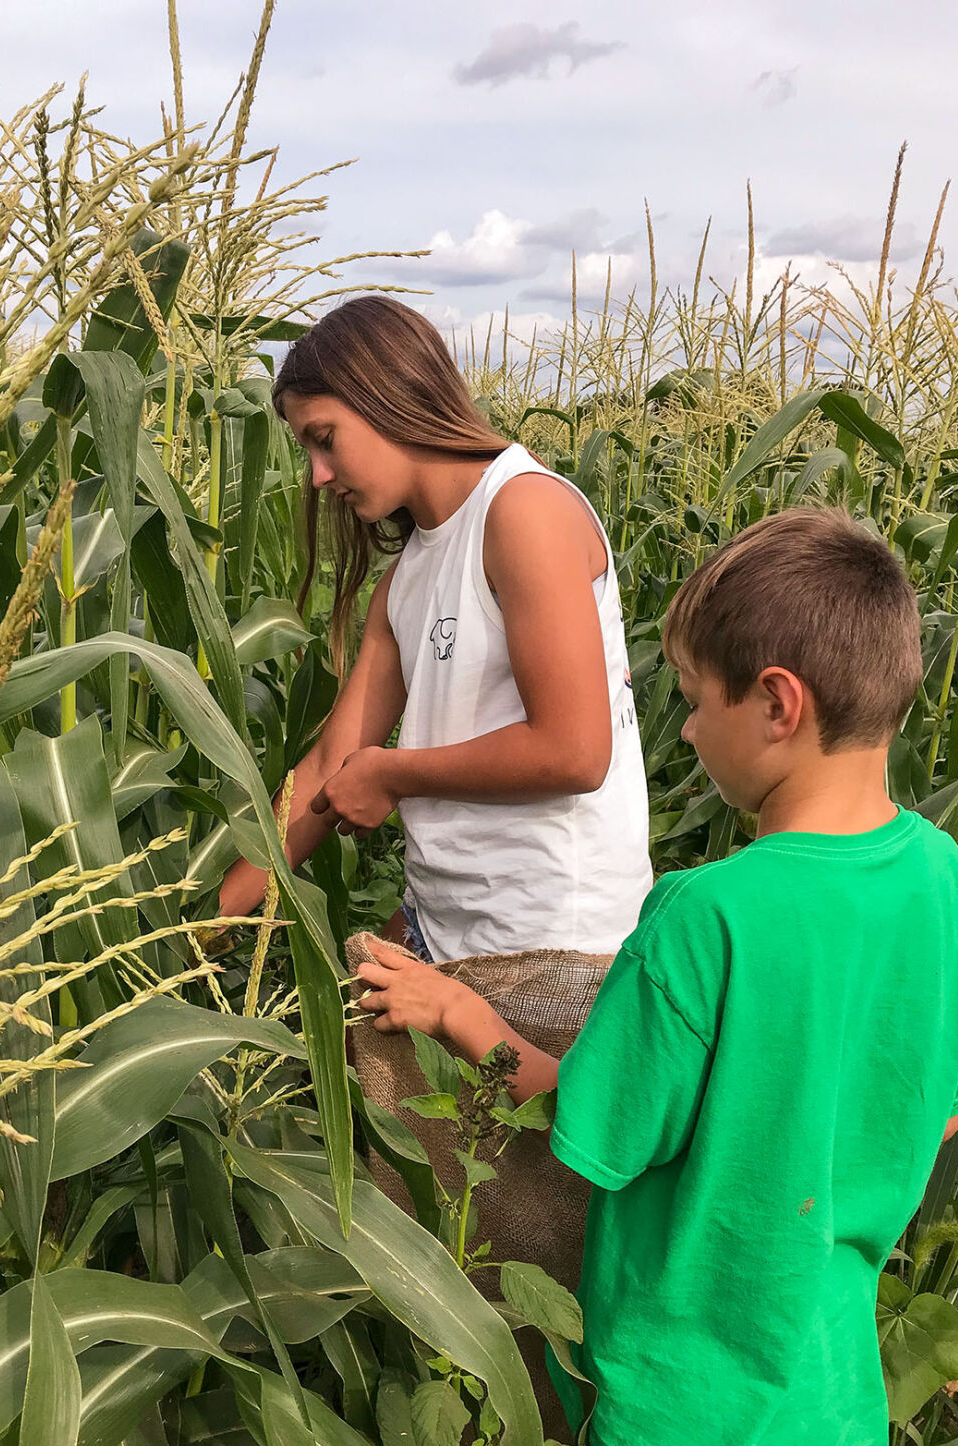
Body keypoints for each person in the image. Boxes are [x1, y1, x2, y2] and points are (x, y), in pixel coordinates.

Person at [354, 507, 958, 1446]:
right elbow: (941, 1107)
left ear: (777, 703)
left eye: (692, 698)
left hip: (690, 1394)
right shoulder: (944, 878)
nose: (685, 729)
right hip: (818, 1365)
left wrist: (453, 1012)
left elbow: (590, 1124)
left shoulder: (705, 920)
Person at [218, 295, 651, 960]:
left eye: (324, 439)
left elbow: (574, 750)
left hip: (551, 944)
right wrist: (198, 928)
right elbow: (332, 763)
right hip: (445, 925)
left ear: (387, 395)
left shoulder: (522, 511)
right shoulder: (406, 576)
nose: (317, 476)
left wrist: (392, 775)